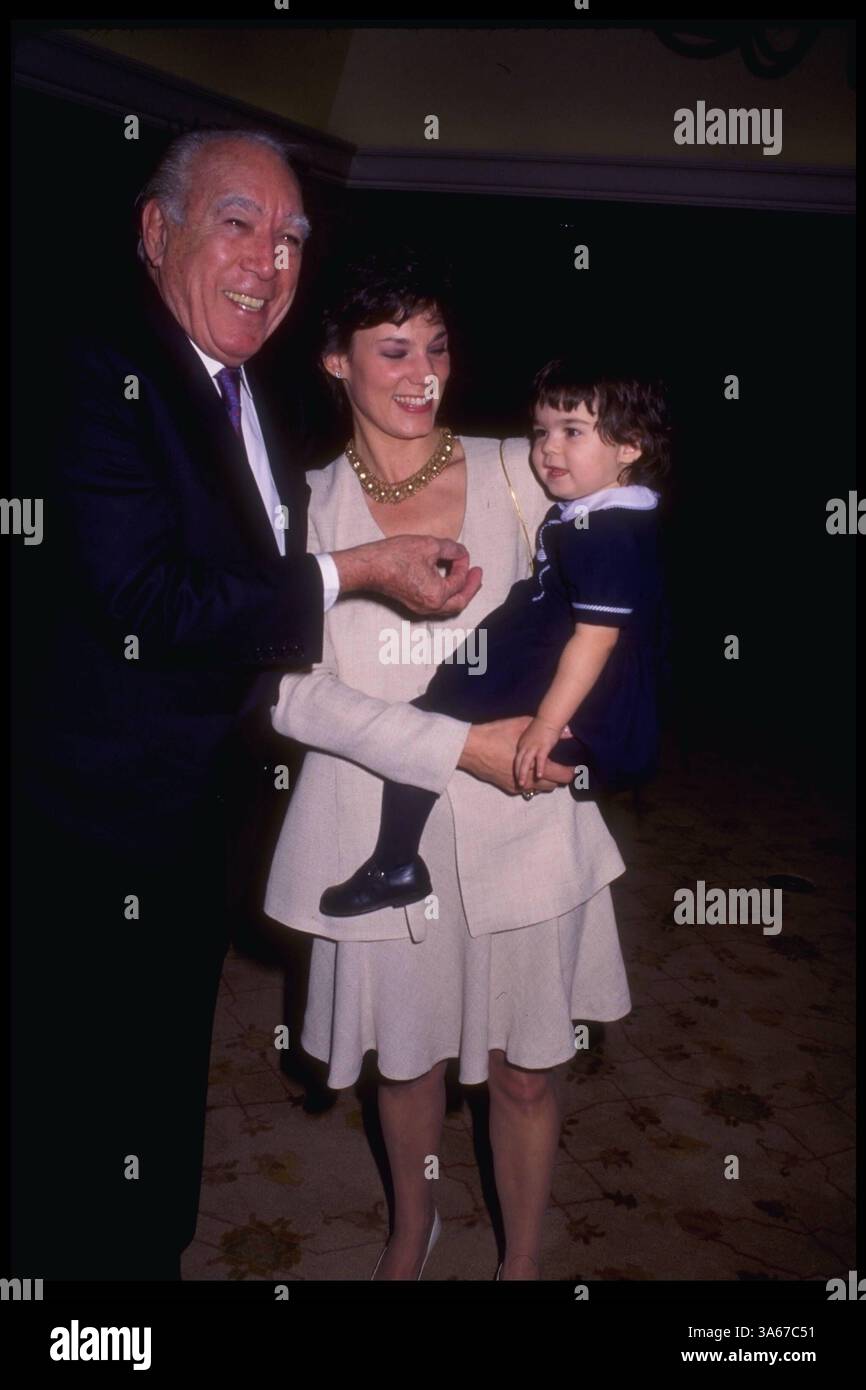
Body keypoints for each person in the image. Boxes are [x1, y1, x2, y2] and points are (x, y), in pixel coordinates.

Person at [9, 130, 480, 1282]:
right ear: (155, 231)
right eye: (237, 222)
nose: (268, 259)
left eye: (290, 237)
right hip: (96, 823)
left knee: (154, 1077)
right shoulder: (103, 367)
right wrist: (357, 572)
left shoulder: (236, 388)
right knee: (81, 1104)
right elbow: (150, 599)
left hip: (185, 815)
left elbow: (246, 595)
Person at [264, 246, 632, 1280]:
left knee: (523, 1069)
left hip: (518, 816)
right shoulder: (306, 503)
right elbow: (286, 691)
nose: (422, 372)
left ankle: (520, 1260)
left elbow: (617, 597)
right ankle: (406, 1228)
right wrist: (446, 742)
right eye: (392, 349)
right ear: (335, 361)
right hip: (370, 838)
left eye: (436, 346)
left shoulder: (525, 469)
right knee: (406, 1061)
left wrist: (579, 719)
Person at [321, 361, 669, 917]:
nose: (548, 449)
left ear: (630, 446)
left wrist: (546, 724)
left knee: (426, 722)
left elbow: (595, 641)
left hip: (539, 669)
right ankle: (401, 859)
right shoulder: (608, 512)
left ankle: (396, 863)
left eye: (572, 432)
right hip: (536, 659)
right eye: (541, 432)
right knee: (435, 717)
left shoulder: (608, 532)